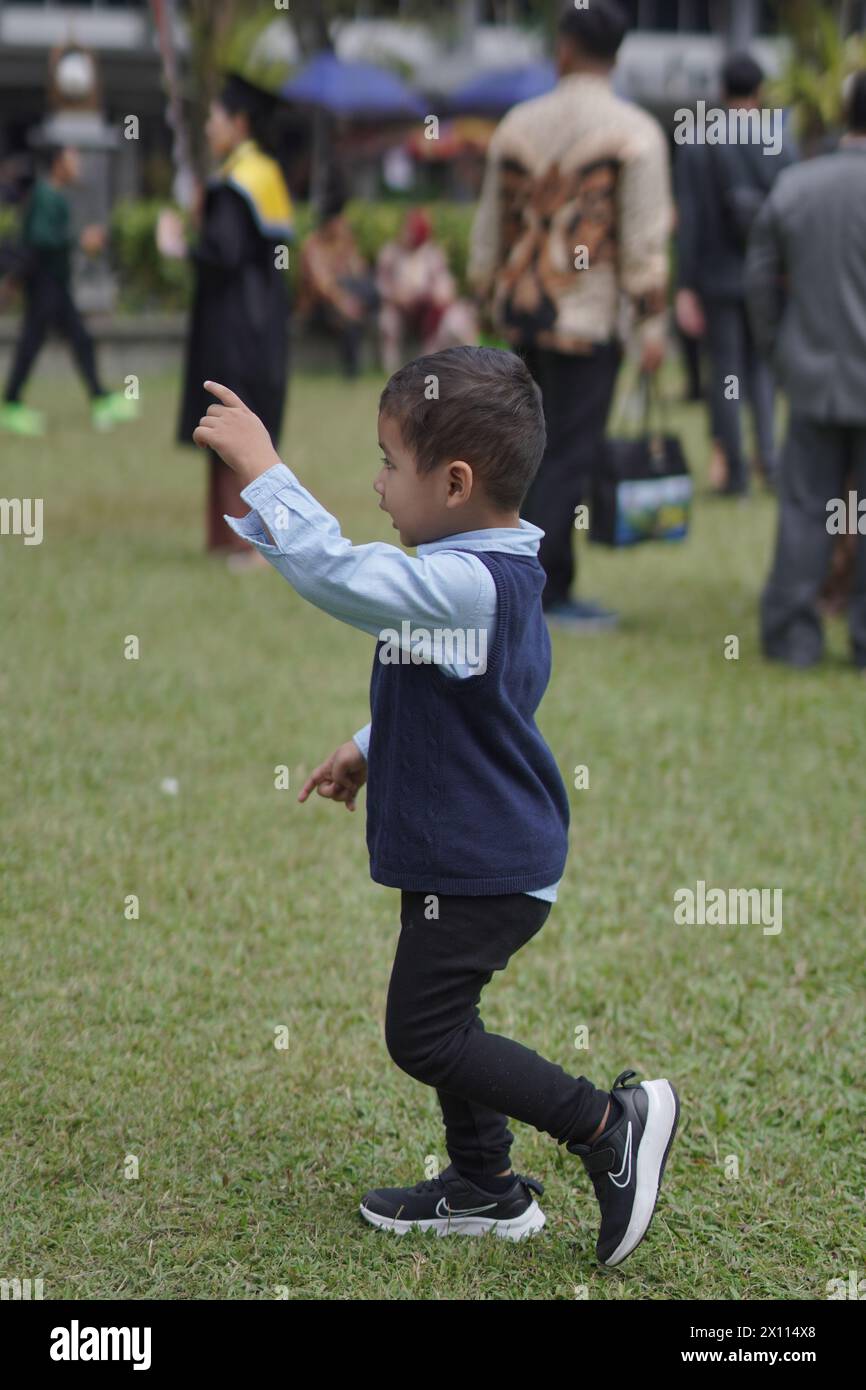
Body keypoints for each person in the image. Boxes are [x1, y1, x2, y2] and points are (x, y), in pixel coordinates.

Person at [192, 347, 680, 1267]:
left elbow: (341, 577)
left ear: (455, 482)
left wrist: (269, 475)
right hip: (472, 855)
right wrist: (368, 748)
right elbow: (461, 697)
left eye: (386, 463)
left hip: (487, 866)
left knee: (423, 1031)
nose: (376, 485)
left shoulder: (468, 585)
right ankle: (484, 1188)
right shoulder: (487, 563)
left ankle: (609, 1124)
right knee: (448, 1020)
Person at [469, 0, 672, 632]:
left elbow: (487, 228)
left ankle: (516, 578)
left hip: (521, 316)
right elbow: (643, 242)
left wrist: (486, 293)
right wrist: (651, 324)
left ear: (563, 48)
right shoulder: (634, 130)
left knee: (522, 448)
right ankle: (542, 591)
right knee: (567, 455)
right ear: (618, 53)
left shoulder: (516, 125)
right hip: (587, 321)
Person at [746, 70, 866, 670]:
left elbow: (760, 284)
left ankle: (794, 636)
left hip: (812, 374)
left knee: (804, 509)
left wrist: (779, 355)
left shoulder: (795, 186)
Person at [164, 73, 294, 567]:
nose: (210, 127)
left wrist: (180, 243)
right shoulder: (265, 174)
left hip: (232, 327)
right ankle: (228, 539)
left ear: (239, 122)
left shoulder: (236, 183)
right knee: (241, 425)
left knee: (230, 424)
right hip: (262, 326)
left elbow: (223, 255)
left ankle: (245, 543)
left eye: (216, 117)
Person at [676, 53, 796, 496]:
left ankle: (737, 476)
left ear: (722, 90)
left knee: (725, 375)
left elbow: (689, 222)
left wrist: (684, 286)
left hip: (716, 277)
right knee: (762, 370)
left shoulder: (698, 143)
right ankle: (771, 462)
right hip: (767, 278)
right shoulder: (779, 142)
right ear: (759, 91)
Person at [0, 145, 138, 438]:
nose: (79, 166)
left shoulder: (54, 195)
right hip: (45, 284)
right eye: (74, 160)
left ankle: (99, 398)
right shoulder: (45, 195)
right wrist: (79, 239)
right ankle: (11, 405)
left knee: (78, 340)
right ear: (59, 164)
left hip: (56, 284)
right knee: (35, 343)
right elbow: (39, 238)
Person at [376, 208, 477, 374]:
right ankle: (391, 370)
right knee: (387, 321)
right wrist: (396, 295)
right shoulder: (390, 253)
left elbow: (446, 289)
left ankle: (458, 368)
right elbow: (382, 285)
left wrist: (436, 294)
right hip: (400, 310)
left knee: (454, 320)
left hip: (427, 310)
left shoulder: (433, 254)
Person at [296, 176, 377, 379]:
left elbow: (359, 272)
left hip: (345, 298)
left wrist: (348, 254)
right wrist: (345, 303)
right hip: (320, 307)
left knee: (367, 291)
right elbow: (323, 287)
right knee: (347, 317)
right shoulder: (312, 246)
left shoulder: (344, 240)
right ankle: (351, 372)